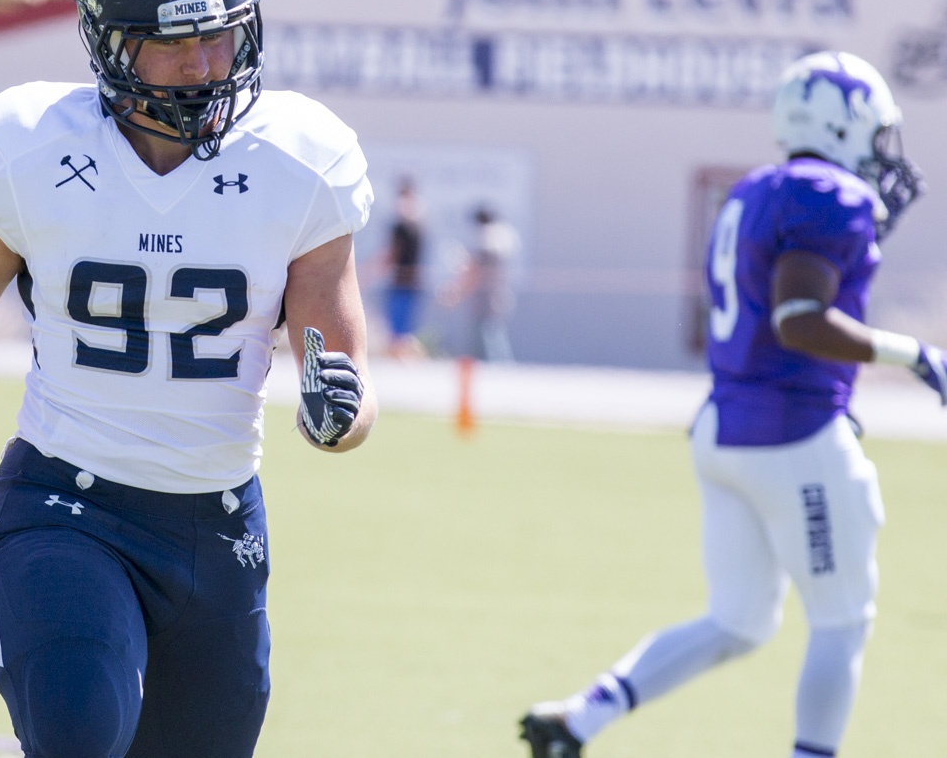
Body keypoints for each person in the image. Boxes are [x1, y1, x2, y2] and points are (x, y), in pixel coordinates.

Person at [0, 0, 377, 758]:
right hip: (63, 506)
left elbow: (344, 392)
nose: (202, 63)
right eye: (173, 41)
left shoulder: (300, 160)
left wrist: (339, 414)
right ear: (110, 42)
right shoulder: (28, 148)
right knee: (80, 735)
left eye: (220, 36)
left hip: (222, 525)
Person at [520, 51, 944, 758]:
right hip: (795, 434)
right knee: (842, 622)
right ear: (845, 126)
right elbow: (799, 317)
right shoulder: (828, 198)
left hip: (723, 428)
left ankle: (582, 718)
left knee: (740, 620)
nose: (880, 154)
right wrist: (918, 355)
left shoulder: (753, 191)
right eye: (875, 134)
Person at [441, 204, 519, 361]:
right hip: (492, 298)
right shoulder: (498, 242)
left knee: (489, 337)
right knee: (487, 335)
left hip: (485, 299)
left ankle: (501, 368)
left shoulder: (487, 243)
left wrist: (458, 292)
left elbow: (475, 273)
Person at [379, 177, 426, 359]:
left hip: (401, 281)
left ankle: (407, 358)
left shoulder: (402, 226)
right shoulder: (420, 224)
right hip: (413, 280)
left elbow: (392, 254)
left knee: (397, 330)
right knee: (404, 328)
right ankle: (408, 357)